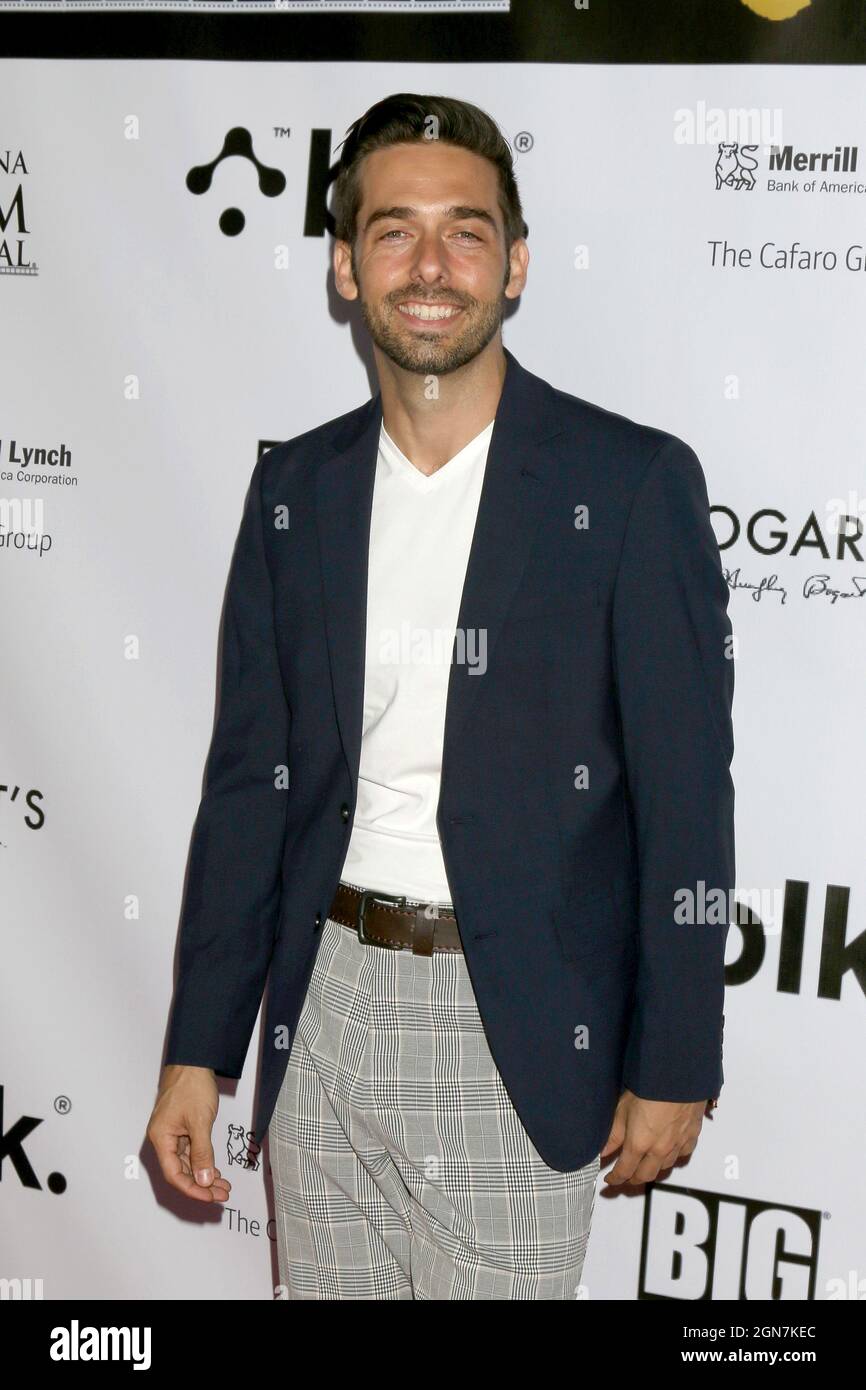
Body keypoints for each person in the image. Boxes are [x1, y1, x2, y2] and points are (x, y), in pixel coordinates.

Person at [147, 93, 735, 1300]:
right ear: (342, 268)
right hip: (325, 1010)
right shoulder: (295, 490)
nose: (429, 266)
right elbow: (247, 792)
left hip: (515, 1022)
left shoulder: (626, 486)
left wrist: (675, 1055)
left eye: (465, 233)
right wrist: (197, 1048)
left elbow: (685, 798)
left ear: (513, 265)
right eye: (393, 232)